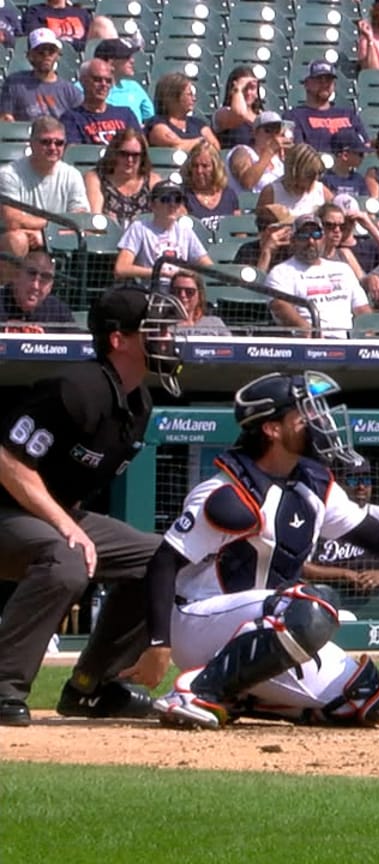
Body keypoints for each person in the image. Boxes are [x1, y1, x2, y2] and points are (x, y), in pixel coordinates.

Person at [147, 371, 379, 729]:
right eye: (304, 416)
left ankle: (235, 696)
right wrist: (159, 644)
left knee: (367, 697)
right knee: (313, 607)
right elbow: (163, 563)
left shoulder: (313, 484)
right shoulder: (227, 493)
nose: (319, 423)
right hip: (200, 622)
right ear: (272, 429)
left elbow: (378, 538)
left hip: (266, 627)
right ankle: (195, 693)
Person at [0, 288, 184, 727]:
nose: (169, 340)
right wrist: (66, 526)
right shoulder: (77, 387)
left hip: (44, 514)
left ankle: (91, 686)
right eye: (155, 331)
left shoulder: (139, 403)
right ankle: (3, 686)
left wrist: (67, 521)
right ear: (118, 339)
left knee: (162, 558)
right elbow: (8, 460)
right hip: (6, 508)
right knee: (67, 559)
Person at [304, 457, 379, 610]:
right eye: (353, 480)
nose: (361, 487)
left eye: (366, 480)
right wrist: (344, 574)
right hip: (325, 601)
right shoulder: (320, 517)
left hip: (373, 605)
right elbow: (302, 569)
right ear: (337, 485)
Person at [266, 213, 373, 338]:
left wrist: (367, 336)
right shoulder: (280, 272)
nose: (311, 241)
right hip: (309, 343)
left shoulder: (343, 269)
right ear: (293, 240)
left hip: (347, 342)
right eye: (303, 236)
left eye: (316, 235)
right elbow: (280, 306)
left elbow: (362, 311)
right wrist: (310, 332)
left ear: (323, 239)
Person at [0, 117, 89, 267]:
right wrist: (56, 226)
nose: (53, 147)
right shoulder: (9, 174)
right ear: (31, 143)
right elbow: (13, 221)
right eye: (45, 142)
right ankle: (11, 290)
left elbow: (80, 219)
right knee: (16, 239)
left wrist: (45, 235)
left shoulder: (72, 175)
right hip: (23, 241)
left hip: (55, 239)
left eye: (59, 143)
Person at [112, 180, 214, 286]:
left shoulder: (185, 232)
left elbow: (207, 265)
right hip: (150, 291)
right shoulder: (139, 228)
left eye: (177, 200)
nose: (172, 204)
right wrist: (159, 273)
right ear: (153, 205)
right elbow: (121, 268)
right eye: (166, 199)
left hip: (180, 291)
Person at [286, 61, 369, 154]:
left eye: (329, 80)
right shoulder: (294, 116)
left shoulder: (349, 115)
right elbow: (299, 153)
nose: (324, 84)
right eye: (319, 79)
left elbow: (365, 145)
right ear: (306, 84)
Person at [83, 126, 159, 225]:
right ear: (114, 153)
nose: (130, 160)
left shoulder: (153, 181)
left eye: (135, 155)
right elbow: (94, 220)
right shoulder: (96, 179)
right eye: (124, 154)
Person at [0, 28, 80, 122]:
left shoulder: (70, 91)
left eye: (51, 51)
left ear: (58, 55)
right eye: (41, 52)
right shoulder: (14, 83)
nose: (46, 56)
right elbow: (6, 118)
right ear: (30, 56)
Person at [61, 58, 141, 145]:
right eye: (97, 80)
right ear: (83, 81)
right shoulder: (72, 118)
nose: (104, 84)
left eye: (108, 81)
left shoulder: (126, 114)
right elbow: (76, 153)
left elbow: (138, 147)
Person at [145, 71, 219, 152]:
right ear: (172, 97)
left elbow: (215, 146)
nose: (194, 99)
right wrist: (202, 142)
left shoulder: (198, 124)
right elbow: (176, 146)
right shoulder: (156, 124)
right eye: (189, 94)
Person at [0, 248, 72, 330]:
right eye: (31, 274)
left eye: (45, 277)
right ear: (17, 275)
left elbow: (79, 341)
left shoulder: (58, 311)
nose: (35, 286)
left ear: (51, 286)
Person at [257, 142, 331, 218]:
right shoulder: (271, 193)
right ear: (295, 172)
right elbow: (261, 226)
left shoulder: (322, 192)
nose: (315, 178)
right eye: (310, 174)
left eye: (318, 173)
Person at [225, 110, 288, 196]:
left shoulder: (278, 161)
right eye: (268, 130)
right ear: (255, 133)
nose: (273, 136)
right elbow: (248, 183)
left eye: (277, 131)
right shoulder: (241, 151)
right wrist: (270, 151)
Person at [182, 140, 238, 232]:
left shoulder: (229, 195)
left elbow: (239, 232)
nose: (199, 171)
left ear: (215, 168)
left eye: (205, 166)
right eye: (195, 166)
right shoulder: (183, 196)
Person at [96, 38, 151, 123]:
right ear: (111, 62)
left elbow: (150, 119)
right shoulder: (84, 89)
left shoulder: (134, 87)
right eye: (127, 57)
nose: (132, 60)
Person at [213, 66, 263, 152]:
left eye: (252, 88)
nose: (248, 93)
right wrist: (238, 89)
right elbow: (239, 114)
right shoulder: (223, 113)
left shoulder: (262, 116)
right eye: (245, 88)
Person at [168, 270, 230, 337]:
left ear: (199, 295)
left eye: (190, 292)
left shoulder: (215, 323)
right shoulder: (162, 324)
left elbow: (231, 346)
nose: (182, 295)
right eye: (177, 291)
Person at [234, 203, 293, 273]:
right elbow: (252, 282)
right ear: (271, 230)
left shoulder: (291, 250)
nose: (290, 230)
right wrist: (266, 252)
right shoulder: (247, 251)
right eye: (287, 226)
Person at [321, 129, 371, 200]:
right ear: (345, 155)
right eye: (360, 154)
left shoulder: (359, 180)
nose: (363, 158)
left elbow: (363, 202)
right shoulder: (326, 180)